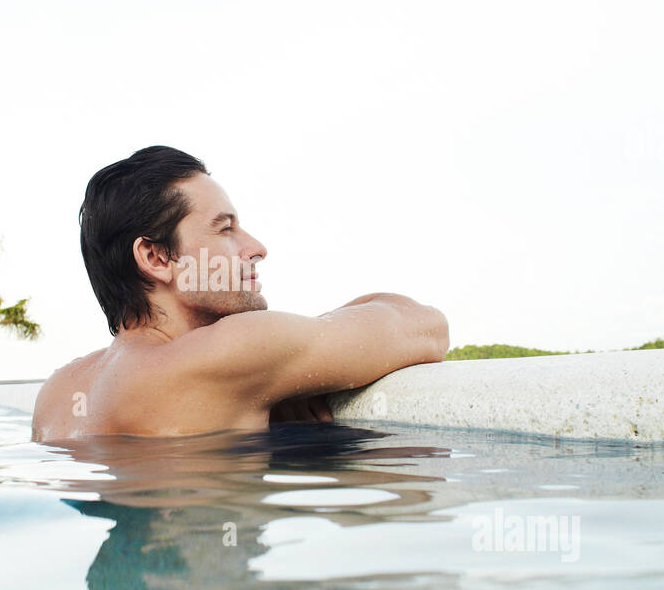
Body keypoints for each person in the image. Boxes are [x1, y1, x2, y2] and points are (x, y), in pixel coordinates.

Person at [32, 145, 449, 441]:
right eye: (225, 228)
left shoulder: (57, 395)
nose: (256, 248)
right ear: (156, 257)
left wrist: (270, 377)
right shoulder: (235, 350)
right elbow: (427, 328)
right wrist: (282, 366)